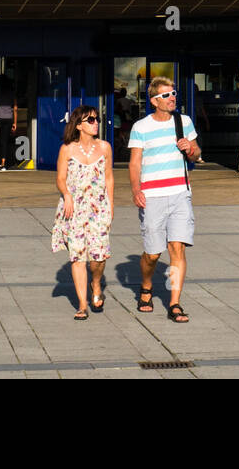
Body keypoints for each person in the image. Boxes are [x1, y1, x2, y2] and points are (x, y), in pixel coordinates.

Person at [128, 76, 201, 322]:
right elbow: (135, 162)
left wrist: (190, 149)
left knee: (177, 248)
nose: (172, 98)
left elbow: (197, 152)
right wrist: (136, 190)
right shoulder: (141, 127)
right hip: (152, 196)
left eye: (173, 94)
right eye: (166, 95)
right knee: (153, 253)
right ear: (154, 101)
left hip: (180, 192)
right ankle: (146, 286)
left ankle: (175, 303)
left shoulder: (184, 121)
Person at [51, 104, 113, 320]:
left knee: (98, 258)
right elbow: (60, 178)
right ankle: (82, 304)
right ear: (78, 125)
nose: (96, 123)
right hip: (73, 209)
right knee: (77, 256)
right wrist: (67, 195)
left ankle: (96, 283)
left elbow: (109, 178)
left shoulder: (105, 147)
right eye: (91, 120)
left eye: (97, 119)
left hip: (98, 208)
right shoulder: (67, 149)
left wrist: (111, 207)